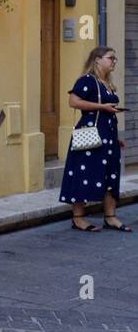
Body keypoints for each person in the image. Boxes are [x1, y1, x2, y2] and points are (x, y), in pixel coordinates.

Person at [60, 45, 131, 232]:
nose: (114, 61)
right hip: (90, 134)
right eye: (110, 58)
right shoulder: (87, 80)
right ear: (97, 60)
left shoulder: (107, 83)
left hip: (108, 136)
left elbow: (108, 113)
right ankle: (78, 218)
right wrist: (102, 107)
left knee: (110, 175)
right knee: (83, 174)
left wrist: (115, 138)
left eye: (115, 58)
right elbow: (73, 101)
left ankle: (110, 217)